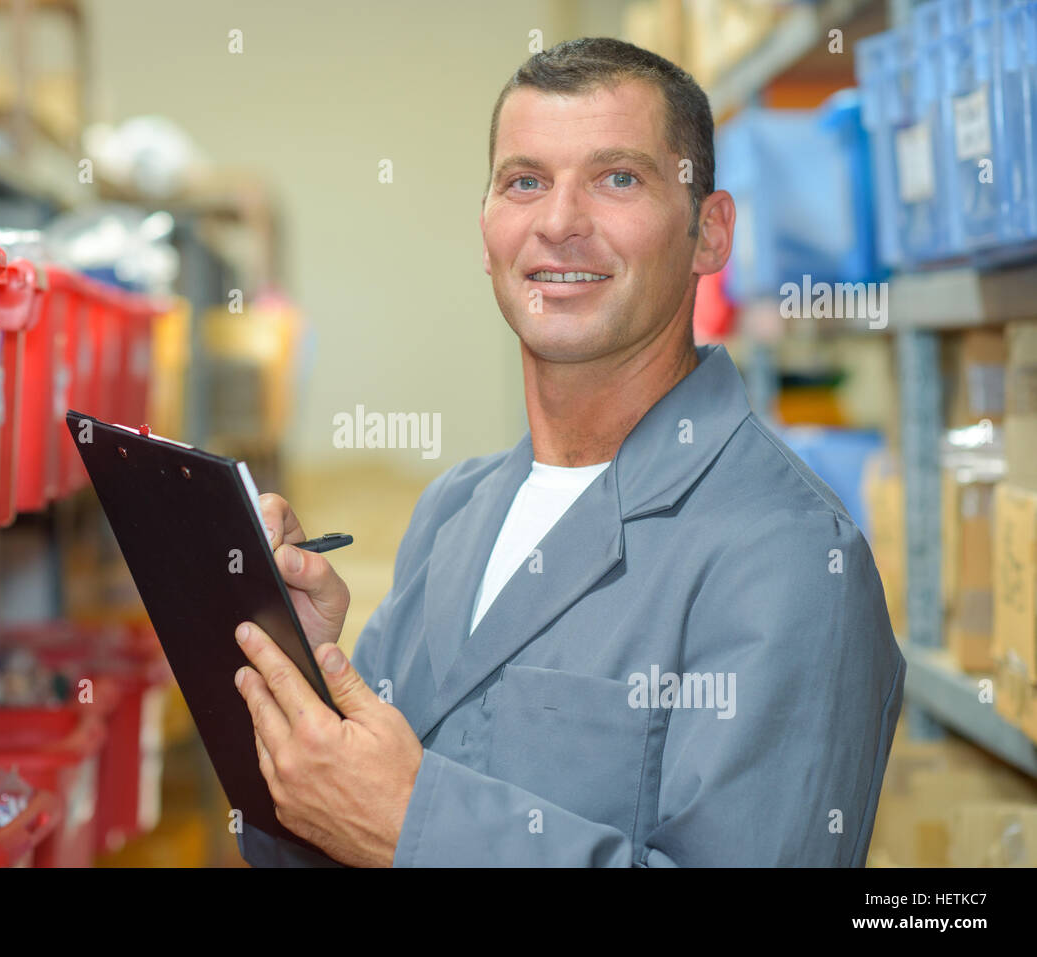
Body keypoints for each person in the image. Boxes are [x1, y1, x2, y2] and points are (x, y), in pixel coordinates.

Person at [231, 36, 906, 867]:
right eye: (525, 182)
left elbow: (394, 823)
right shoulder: (454, 510)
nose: (559, 223)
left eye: (617, 178)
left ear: (710, 232)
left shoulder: (791, 558)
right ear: (486, 234)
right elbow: (329, 834)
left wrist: (416, 826)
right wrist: (299, 674)